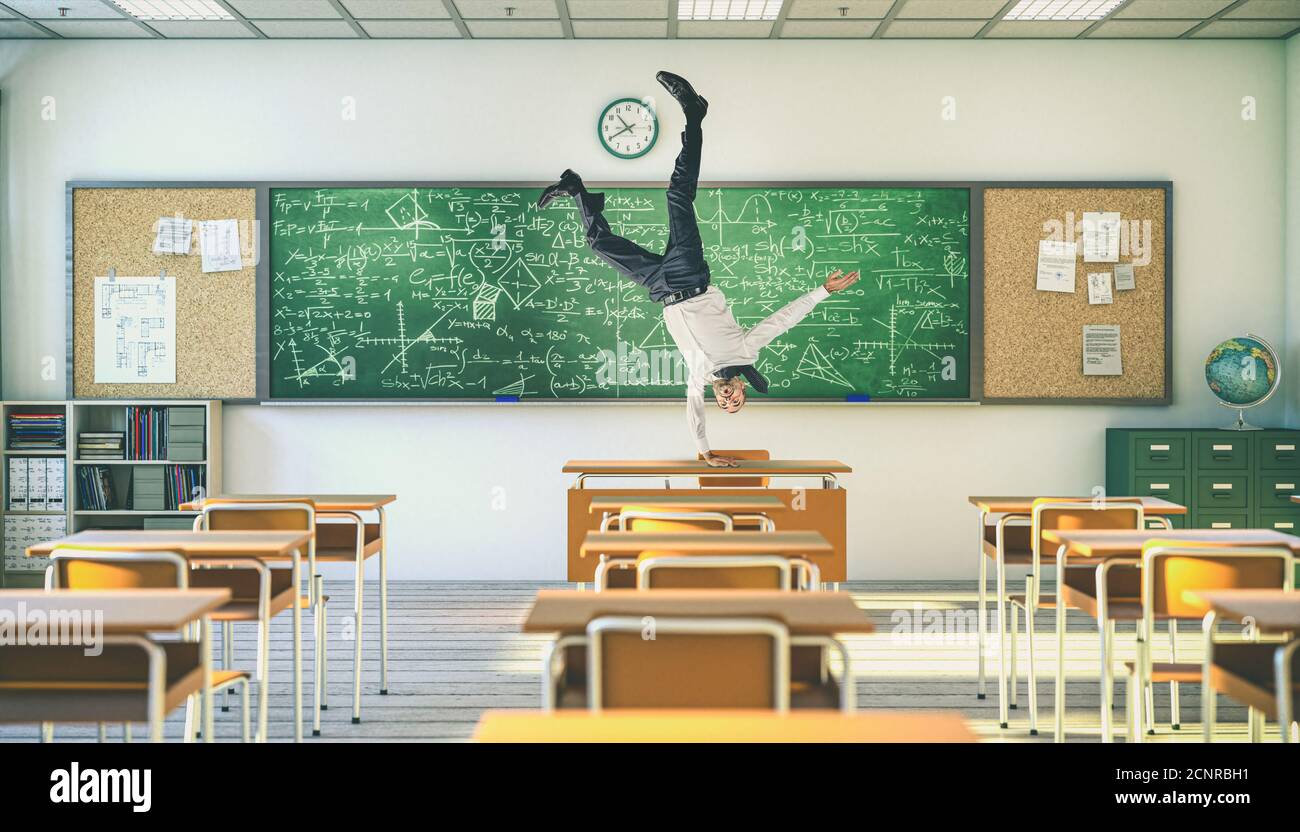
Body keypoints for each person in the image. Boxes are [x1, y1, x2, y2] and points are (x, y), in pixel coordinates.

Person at [538, 71, 859, 468]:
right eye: (736, 400)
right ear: (742, 387)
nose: (727, 400)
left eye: (725, 404)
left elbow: (694, 413)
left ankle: (575, 189)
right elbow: (783, 320)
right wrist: (822, 291)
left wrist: (706, 453)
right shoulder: (747, 351)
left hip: (659, 288)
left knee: (599, 244)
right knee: (677, 194)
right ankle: (694, 114)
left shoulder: (699, 379)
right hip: (690, 276)